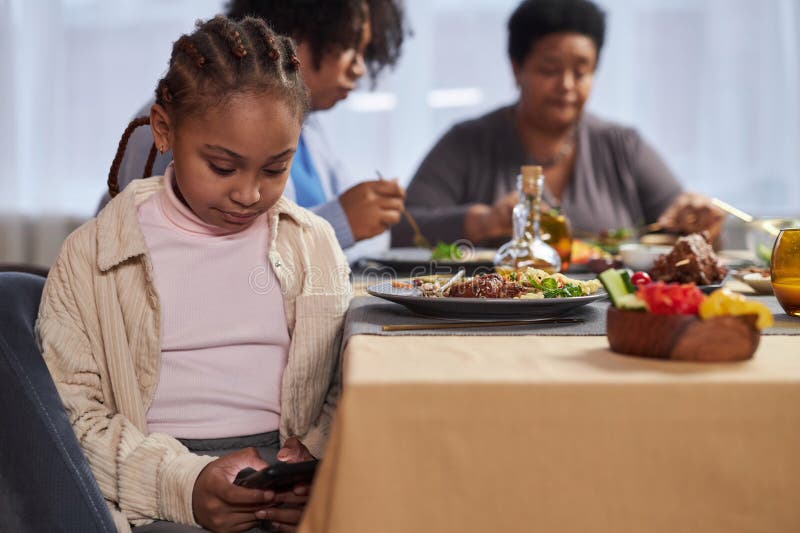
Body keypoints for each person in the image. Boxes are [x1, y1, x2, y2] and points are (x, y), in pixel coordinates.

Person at [38, 16, 351, 533]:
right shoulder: (92, 256)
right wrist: (185, 483)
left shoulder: (313, 245)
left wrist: (308, 465)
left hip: (282, 482)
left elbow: (346, 385)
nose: (249, 193)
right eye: (223, 167)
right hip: (149, 489)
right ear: (164, 130)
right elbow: (72, 420)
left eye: (276, 169)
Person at [392, 0, 724, 248]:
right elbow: (403, 230)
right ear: (516, 69)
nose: (566, 85)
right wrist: (483, 222)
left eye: (581, 71)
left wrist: (695, 223)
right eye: (550, 69)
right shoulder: (466, 142)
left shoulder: (623, 146)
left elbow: (681, 232)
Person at [100, 0, 408, 256]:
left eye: (275, 169)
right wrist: (340, 224)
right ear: (291, 34)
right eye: (344, 47)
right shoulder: (184, 122)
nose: (360, 67)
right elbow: (197, 261)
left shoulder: (311, 131)